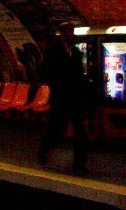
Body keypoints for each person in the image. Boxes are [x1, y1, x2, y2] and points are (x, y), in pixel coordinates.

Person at [38, 24, 89, 173]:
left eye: (72, 31)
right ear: (62, 33)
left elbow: (80, 75)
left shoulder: (77, 52)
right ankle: (44, 149)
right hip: (60, 97)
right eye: (68, 31)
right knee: (56, 129)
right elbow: (45, 72)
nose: (71, 34)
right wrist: (57, 84)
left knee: (80, 132)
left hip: (75, 98)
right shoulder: (53, 51)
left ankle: (79, 165)